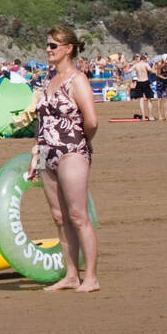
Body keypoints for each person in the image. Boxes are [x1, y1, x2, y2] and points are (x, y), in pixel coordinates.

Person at [27, 26, 99, 293]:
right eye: (47, 45)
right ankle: (71, 275)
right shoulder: (48, 81)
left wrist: (81, 141)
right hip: (47, 152)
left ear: (68, 49)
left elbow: (91, 120)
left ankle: (91, 277)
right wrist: (36, 150)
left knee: (78, 215)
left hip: (71, 150)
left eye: (53, 46)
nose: (48, 50)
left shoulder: (77, 80)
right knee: (59, 217)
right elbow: (41, 121)